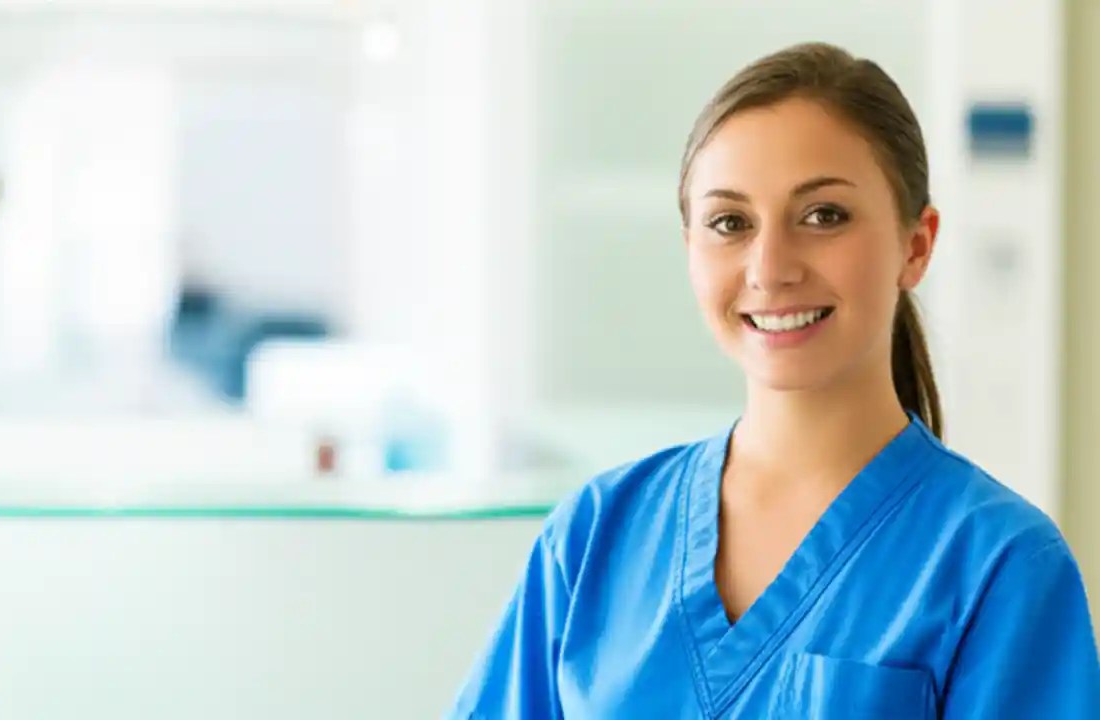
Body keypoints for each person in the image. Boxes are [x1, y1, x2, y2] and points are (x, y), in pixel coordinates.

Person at [448, 43, 1100, 718]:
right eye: (730, 223)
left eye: (823, 216)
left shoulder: (1000, 565)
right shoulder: (592, 539)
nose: (769, 268)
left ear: (916, 245)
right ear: (691, 251)